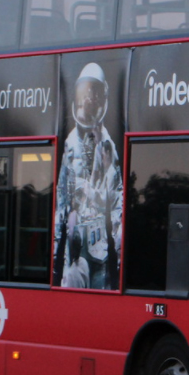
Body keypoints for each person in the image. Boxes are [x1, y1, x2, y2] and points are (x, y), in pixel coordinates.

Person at [53, 63, 123, 288]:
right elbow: (62, 200)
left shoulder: (108, 145)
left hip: (100, 248)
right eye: (86, 92)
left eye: (95, 92)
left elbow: (116, 201)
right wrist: (55, 252)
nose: (89, 98)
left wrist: (120, 254)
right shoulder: (70, 145)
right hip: (76, 250)